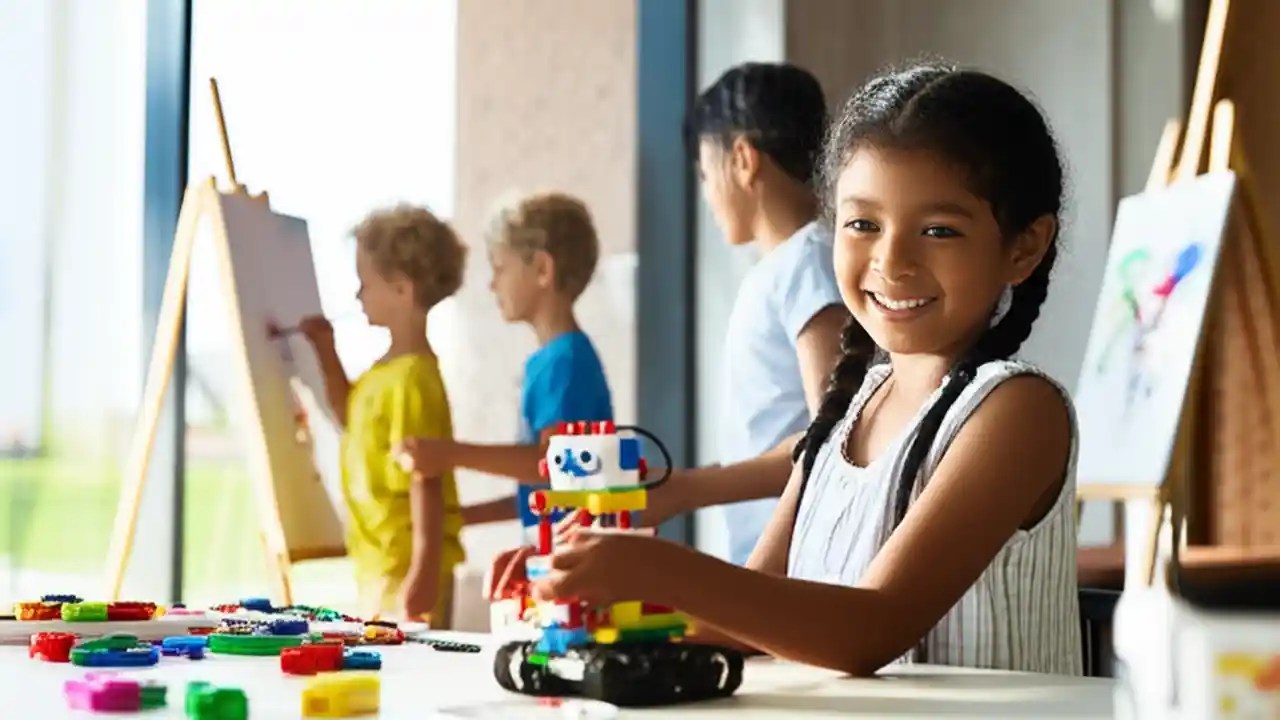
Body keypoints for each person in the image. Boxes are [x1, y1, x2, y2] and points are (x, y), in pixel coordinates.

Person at [496, 61, 1081, 676]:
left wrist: (654, 568)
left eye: (938, 230)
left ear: (1023, 247)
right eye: (862, 224)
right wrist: (582, 595)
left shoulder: (1017, 411)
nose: (891, 260)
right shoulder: (849, 411)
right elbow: (747, 624)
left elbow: (869, 628)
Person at [665, 61, 849, 563]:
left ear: (744, 159)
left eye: (706, 174)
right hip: (775, 562)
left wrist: (683, 490)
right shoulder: (781, 269)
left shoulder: (807, 261)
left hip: (804, 563)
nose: (705, 195)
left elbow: (833, 432)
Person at [395, 192, 612, 544]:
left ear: (542, 269)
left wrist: (449, 454)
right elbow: (541, 487)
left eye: (500, 268)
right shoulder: (548, 362)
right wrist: (461, 517)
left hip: (577, 553)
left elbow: (553, 465)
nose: (492, 284)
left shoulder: (566, 362)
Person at [299, 204, 466, 625]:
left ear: (401, 290)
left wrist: (423, 573)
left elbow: (424, 476)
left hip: (406, 568)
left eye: (364, 283)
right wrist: (325, 351)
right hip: (381, 562)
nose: (357, 295)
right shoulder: (385, 371)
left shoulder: (411, 379)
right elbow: (348, 417)